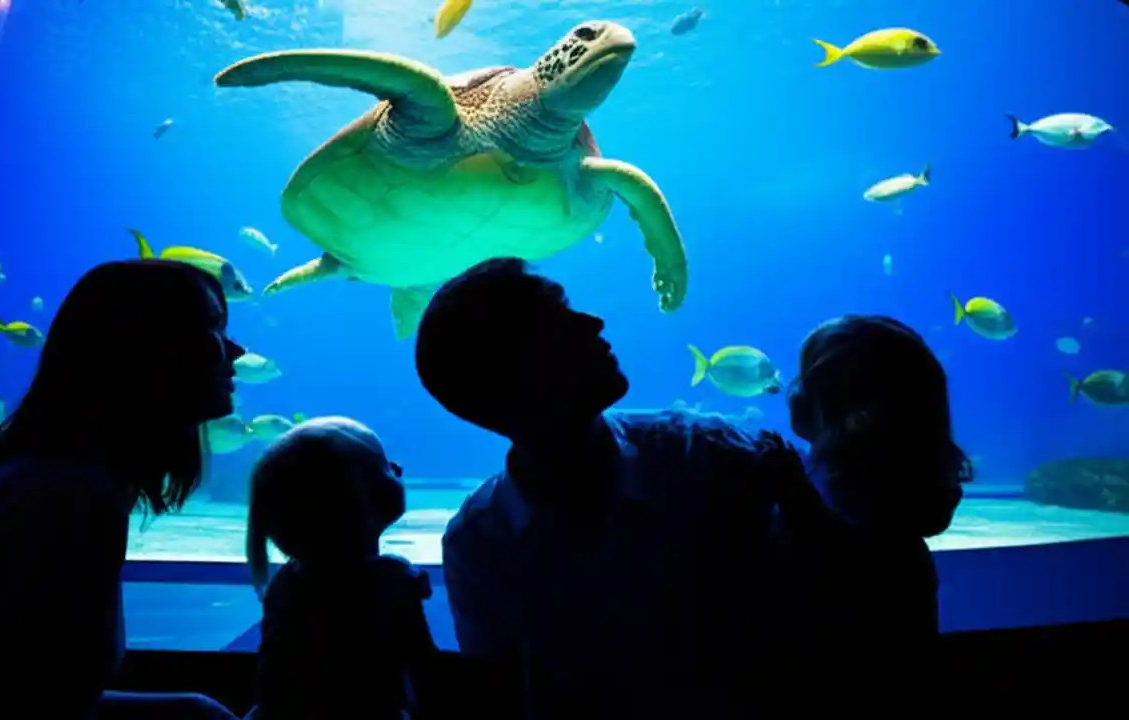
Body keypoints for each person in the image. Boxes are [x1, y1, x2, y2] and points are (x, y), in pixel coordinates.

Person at [0, 259, 246, 720]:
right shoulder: (71, 498)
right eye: (212, 328)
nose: (234, 350)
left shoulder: (55, 474)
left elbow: (38, 692)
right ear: (145, 348)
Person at [414, 257, 784, 719]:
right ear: (512, 370)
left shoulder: (715, 453)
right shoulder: (480, 542)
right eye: (559, 318)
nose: (594, 322)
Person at [764, 313, 971, 713]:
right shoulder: (892, 474)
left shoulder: (865, 484)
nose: (791, 391)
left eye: (805, 377)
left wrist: (795, 499)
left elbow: (858, 566)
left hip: (848, 676)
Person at [244, 416, 438, 720]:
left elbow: (274, 683)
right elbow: (425, 668)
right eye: (385, 465)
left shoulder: (287, 581)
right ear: (364, 500)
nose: (398, 467)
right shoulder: (391, 581)